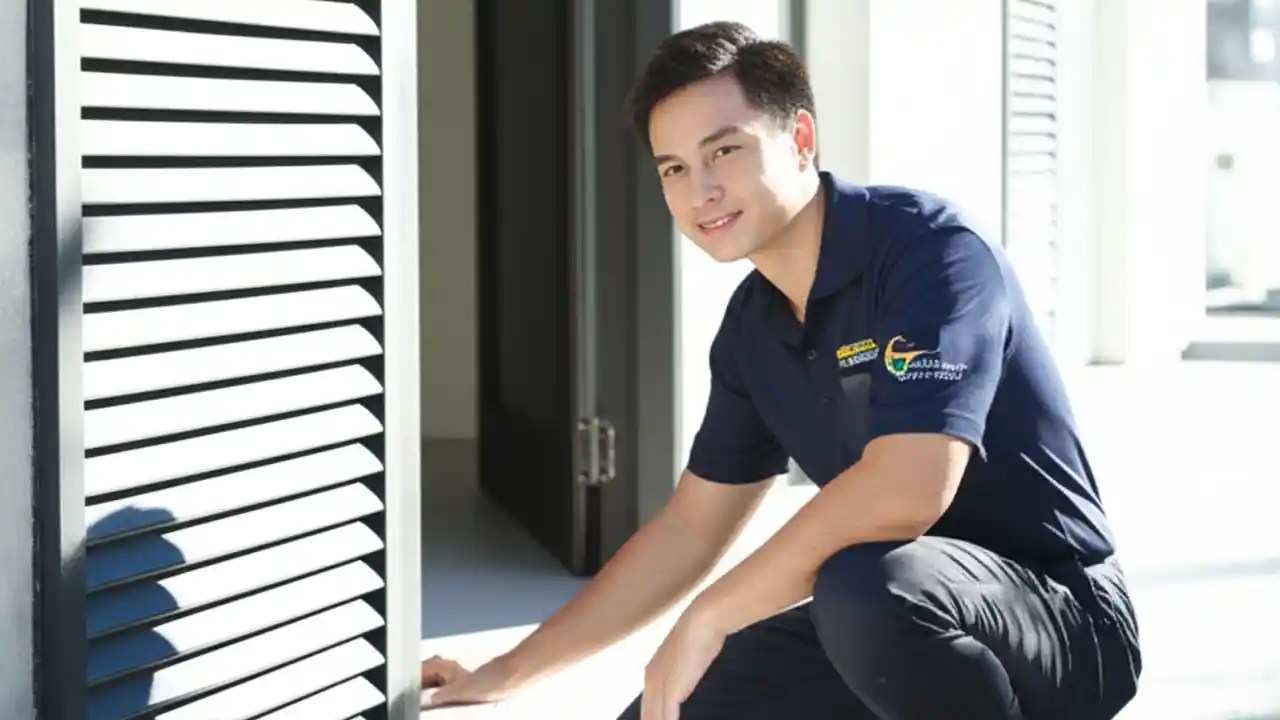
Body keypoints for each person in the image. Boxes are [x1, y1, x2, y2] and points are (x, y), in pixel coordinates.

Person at [421, 21, 1142, 720]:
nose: (699, 191)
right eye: (674, 168)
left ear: (800, 139)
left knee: (864, 586)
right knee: (677, 707)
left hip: (1062, 617)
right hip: (894, 624)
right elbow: (691, 530)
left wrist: (710, 615)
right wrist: (505, 672)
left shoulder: (931, 253)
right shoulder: (753, 327)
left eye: (724, 151)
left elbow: (908, 487)